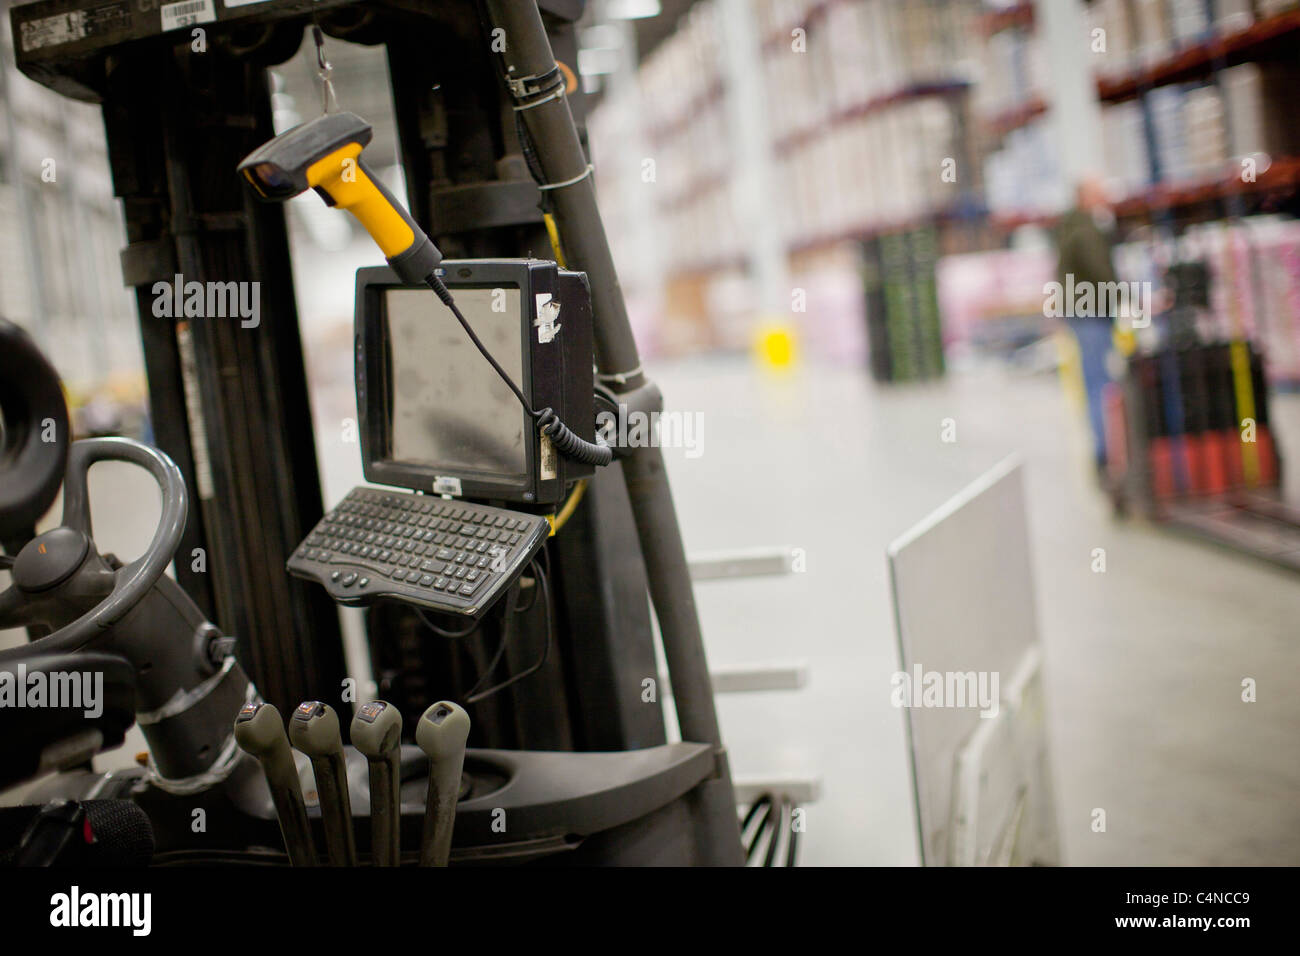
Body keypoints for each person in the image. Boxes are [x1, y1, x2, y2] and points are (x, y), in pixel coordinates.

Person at [1056, 177, 1117, 477]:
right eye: (1099, 192)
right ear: (1085, 197)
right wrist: (1127, 301)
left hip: (1082, 312)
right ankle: (1105, 450)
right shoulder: (1086, 231)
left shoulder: (1071, 226)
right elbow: (1100, 273)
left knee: (1094, 380)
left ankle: (1103, 448)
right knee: (1101, 383)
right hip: (1092, 311)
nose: (1105, 197)